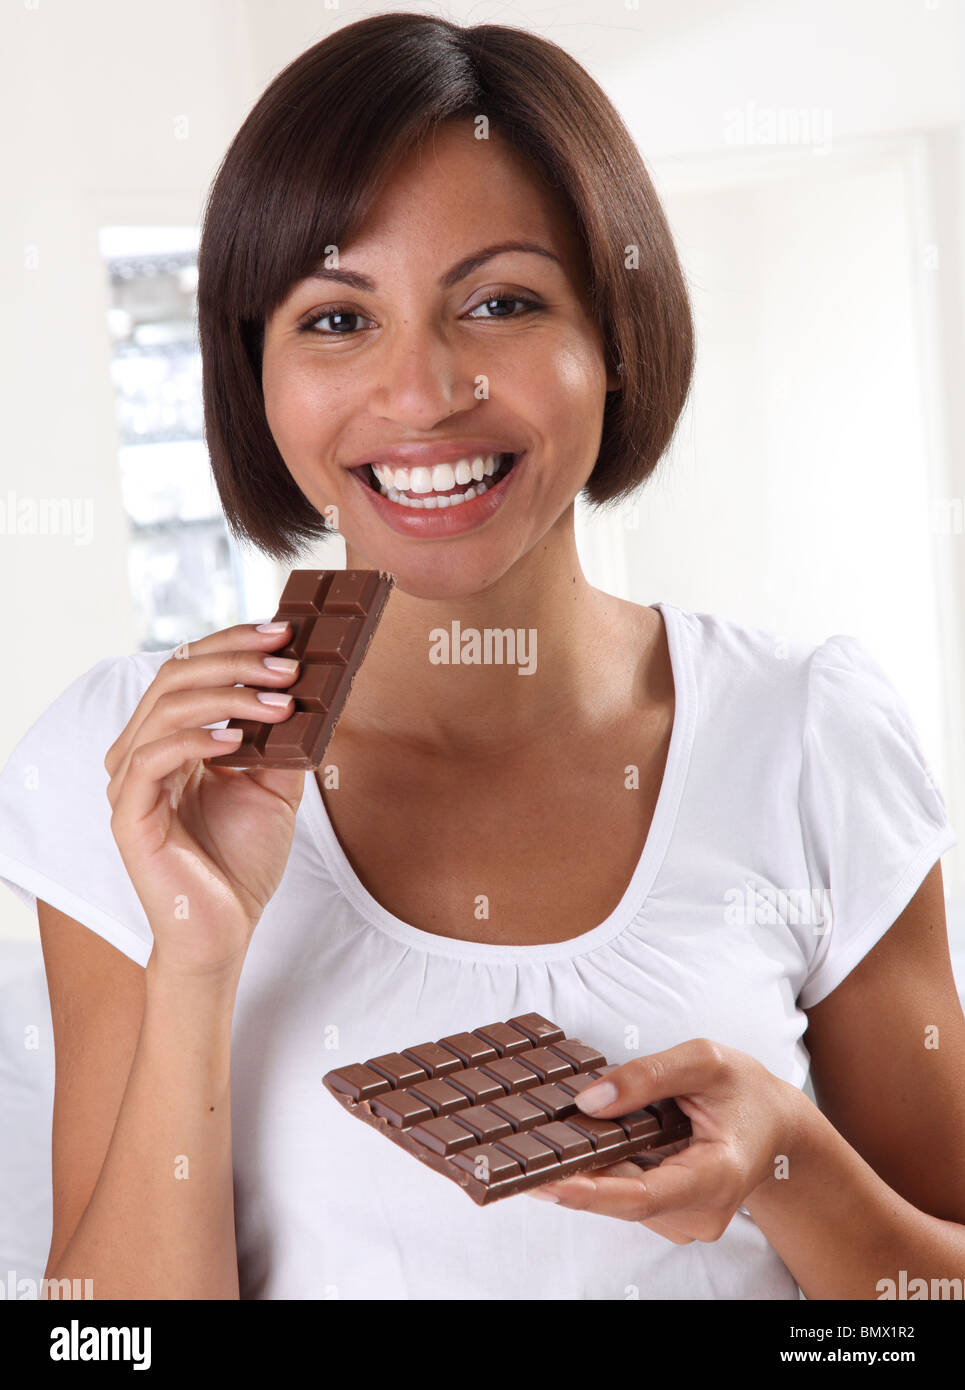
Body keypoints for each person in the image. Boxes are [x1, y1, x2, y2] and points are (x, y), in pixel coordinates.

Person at [1, 13, 963, 1301]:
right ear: (256, 377)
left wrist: (789, 1161)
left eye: (501, 302)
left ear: (614, 339)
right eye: (337, 319)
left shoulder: (806, 733)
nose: (420, 391)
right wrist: (196, 960)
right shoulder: (129, 766)